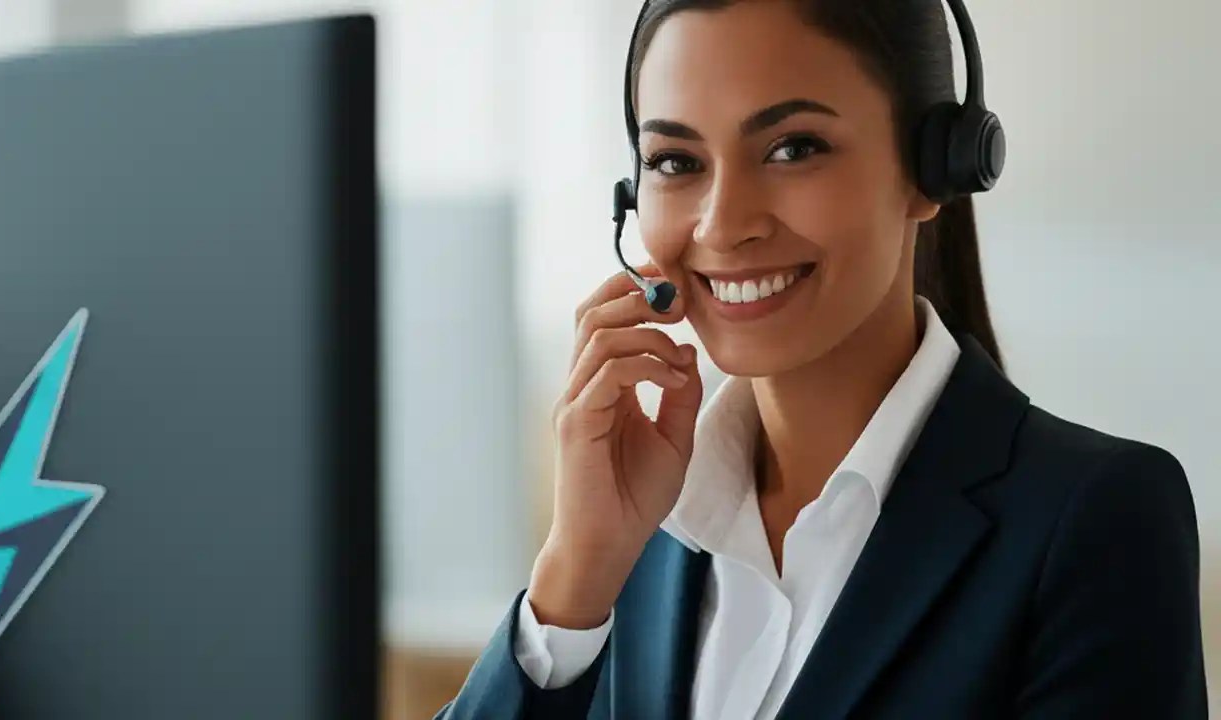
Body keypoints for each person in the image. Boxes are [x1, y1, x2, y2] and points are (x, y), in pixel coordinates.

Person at [435, 0, 1207, 718]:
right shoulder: (634, 532)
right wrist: (572, 582)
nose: (722, 225)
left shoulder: (1095, 517)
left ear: (933, 168)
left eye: (792, 148)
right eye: (675, 161)